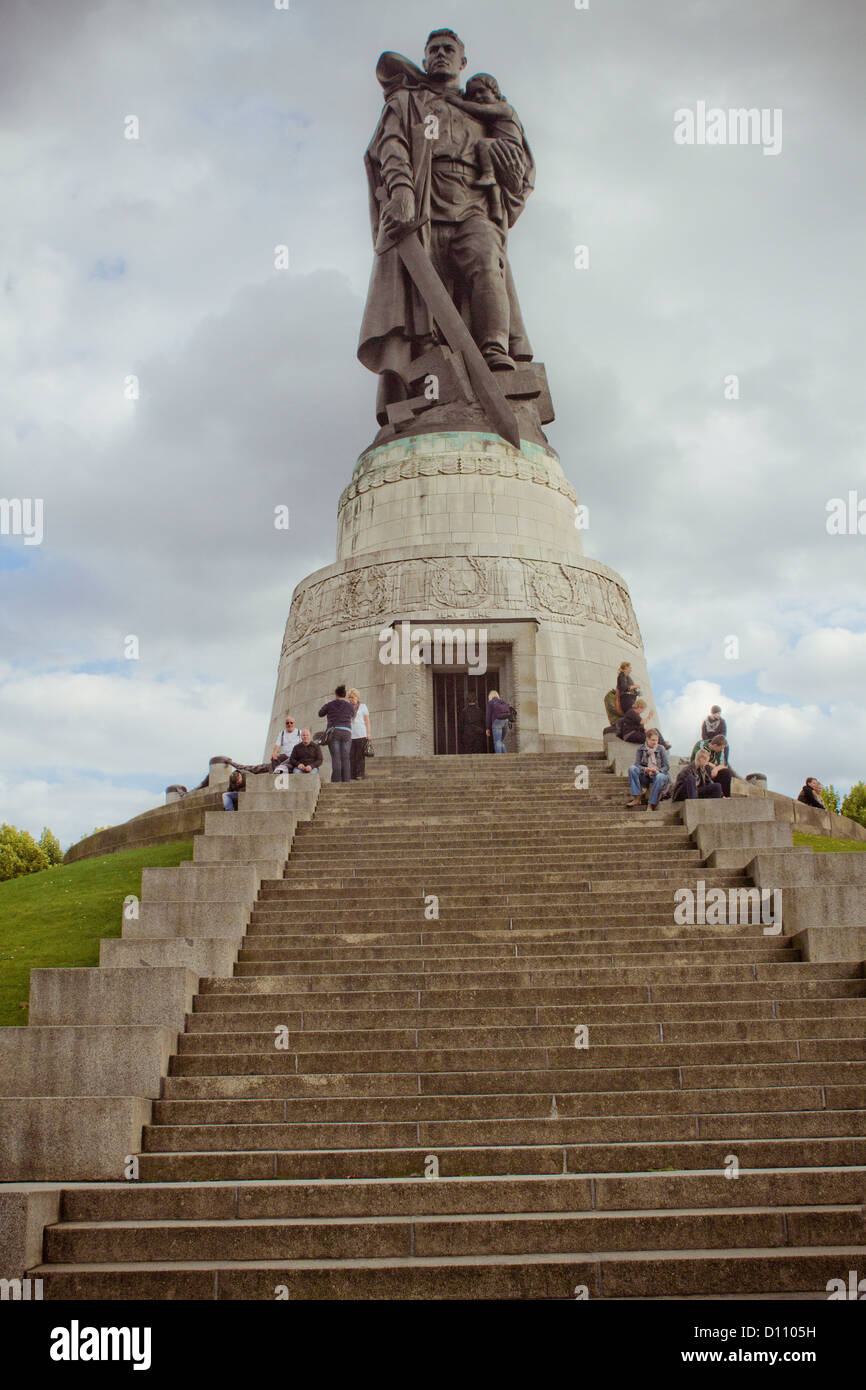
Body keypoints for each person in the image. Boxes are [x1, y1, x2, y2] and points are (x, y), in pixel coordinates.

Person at [442, 73, 525, 223]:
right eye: (473, 94)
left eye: (482, 91)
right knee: (492, 184)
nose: (478, 96)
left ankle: (488, 173)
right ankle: (496, 209)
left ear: (495, 93)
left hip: (508, 148)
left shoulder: (505, 108)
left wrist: (457, 102)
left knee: (483, 144)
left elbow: (480, 111)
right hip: (500, 148)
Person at [318, 684, 355, 783]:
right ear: (344, 695)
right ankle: (346, 780)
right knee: (346, 757)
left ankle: (337, 781)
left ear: (336, 694)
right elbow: (353, 715)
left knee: (336, 757)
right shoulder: (349, 706)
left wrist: (326, 704)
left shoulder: (330, 704)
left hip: (334, 733)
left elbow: (320, 714)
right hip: (347, 732)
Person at [626, 731, 671, 811]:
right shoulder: (640, 749)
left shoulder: (661, 748)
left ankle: (650, 804)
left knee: (660, 777)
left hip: (659, 774)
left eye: (656, 740)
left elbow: (666, 766)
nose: (655, 742)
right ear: (647, 739)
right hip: (646, 776)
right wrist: (645, 769)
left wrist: (658, 771)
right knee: (632, 768)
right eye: (653, 740)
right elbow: (637, 765)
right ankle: (637, 797)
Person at [347, 688, 372, 780]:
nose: (350, 699)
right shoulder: (347, 707)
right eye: (349, 697)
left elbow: (367, 721)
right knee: (351, 756)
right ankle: (352, 774)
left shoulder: (363, 706)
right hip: (350, 735)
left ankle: (360, 774)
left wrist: (368, 733)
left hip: (361, 734)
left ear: (357, 697)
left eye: (352, 697)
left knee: (360, 756)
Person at [486, 689, 512, 753]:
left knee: (497, 741)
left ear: (490, 696)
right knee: (501, 741)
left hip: (497, 721)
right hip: (505, 721)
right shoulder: (503, 702)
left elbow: (488, 715)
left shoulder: (490, 702)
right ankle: (505, 757)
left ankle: (500, 756)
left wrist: (487, 728)